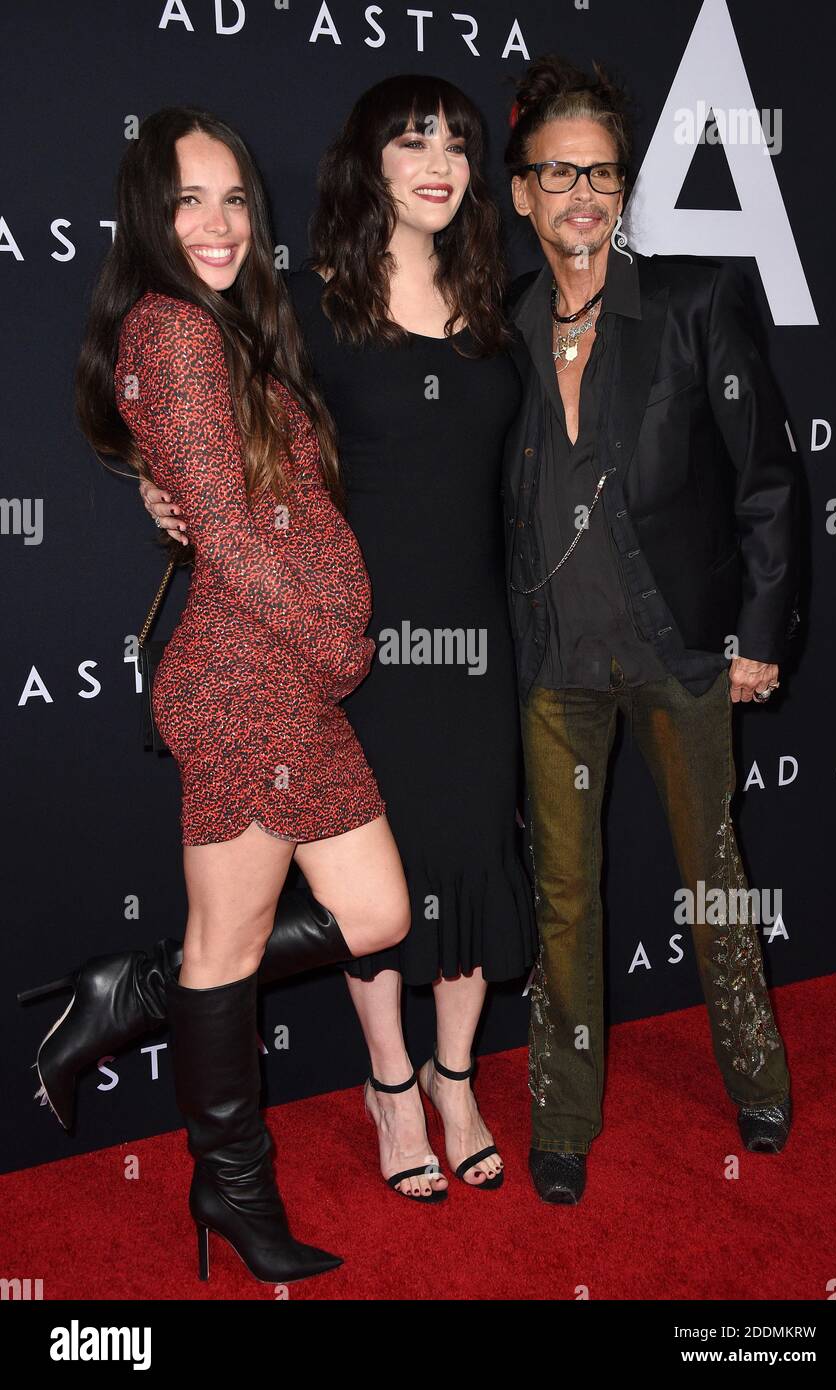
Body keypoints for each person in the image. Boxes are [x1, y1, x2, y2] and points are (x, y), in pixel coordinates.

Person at [25, 106, 411, 1284]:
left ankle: (126, 988)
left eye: (235, 198)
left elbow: (217, 499)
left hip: (278, 677)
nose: (218, 222)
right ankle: (233, 1190)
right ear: (149, 213)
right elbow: (238, 546)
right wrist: (337, 642)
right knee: (230, 949)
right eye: (189, 199)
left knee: (378, 915)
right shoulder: (176, 333)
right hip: (252, 681)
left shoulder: (211, 333)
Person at [140, 75, 538, 1199]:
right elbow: (194, 418)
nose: (438, 158)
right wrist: (154, 493)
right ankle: (389, 1081)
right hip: (345, 638)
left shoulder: (497, 310)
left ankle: (457, 1079)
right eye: (412, 138)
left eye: (456, 142)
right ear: (366, 161)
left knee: (468, 860)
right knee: (383, 879)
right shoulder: (300, 308)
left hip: (475, 629)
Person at [501, 56, 799, 1204]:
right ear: (520, 192)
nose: (582, 192)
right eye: (556, 172)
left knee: (710, 877)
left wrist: (757, 631)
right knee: (564, 898)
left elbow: (764, 480)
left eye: (602, 171)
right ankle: (564, 1115)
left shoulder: (689, 300)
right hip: (554, 670)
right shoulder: (502, 332)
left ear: (622, 187)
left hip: (680, 655)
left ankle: (757, 1077)